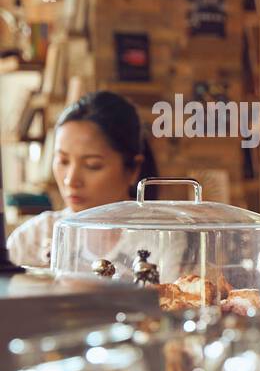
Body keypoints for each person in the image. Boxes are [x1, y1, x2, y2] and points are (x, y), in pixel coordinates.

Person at [6, 90, 158, 267]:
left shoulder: (161, 240)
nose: (71, 180)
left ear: (133, 169)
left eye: (92, 165)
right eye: (63, 161)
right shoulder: (32, 239)